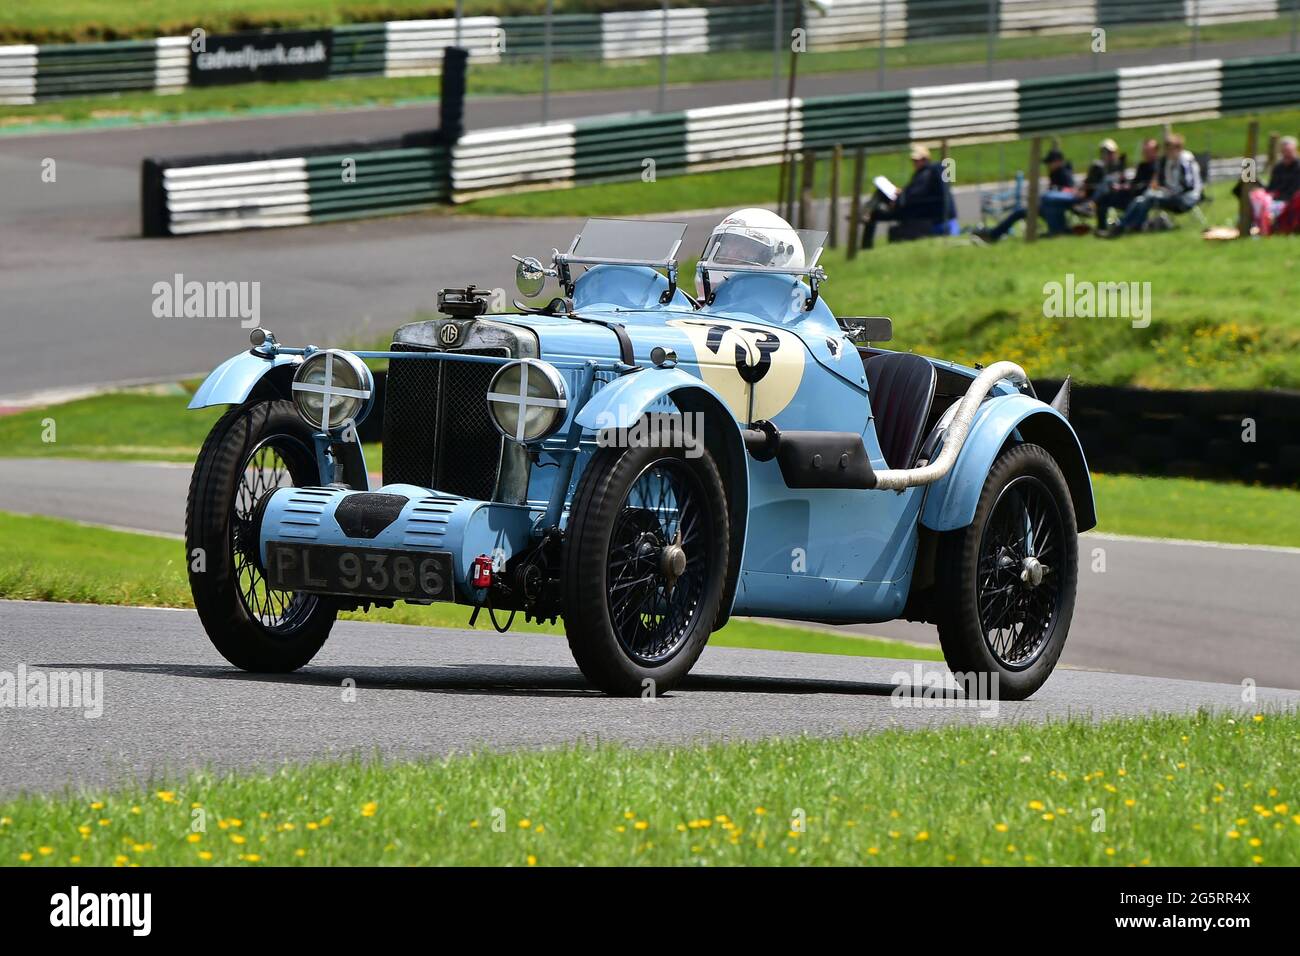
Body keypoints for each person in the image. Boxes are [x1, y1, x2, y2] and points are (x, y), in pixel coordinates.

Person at [1100, 133, 1202, 237]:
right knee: (1140, 199)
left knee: (1149, 197)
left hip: (1186, 199)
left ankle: (1123, 227)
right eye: (1167, 149)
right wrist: (1163, 189)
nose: (1167, 152)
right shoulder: (1169, 161)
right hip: (1173, 195)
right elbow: (1165, 182)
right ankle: (1125, 226)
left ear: (1178, 148)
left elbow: (1188, 185)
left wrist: (1169, 192)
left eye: (1170, 149)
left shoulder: (1185, 160)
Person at [972, 147, 1080, 243]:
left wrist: (1052, 193)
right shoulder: (1056, 173)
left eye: (1050, 162)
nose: (1048, 165)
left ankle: (993, 235)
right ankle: (994, 234)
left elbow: (1069, 191)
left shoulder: (1064, 173)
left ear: (1058, 162)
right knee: (1019, 212)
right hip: (1048, 207)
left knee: (1020, 212)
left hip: (1053, 208)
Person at [861, 145, 950, 250]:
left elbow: (915, 196)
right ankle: (866, 212)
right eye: (914, 160)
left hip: (910, 210)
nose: (915, 163)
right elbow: (913, 192)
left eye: (917, 160)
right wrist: (901, 193)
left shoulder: (925, 175)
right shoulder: (922, 174)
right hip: (907, 206)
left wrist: (899, 198)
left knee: (875, 212)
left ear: (925, 159)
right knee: (879, 196)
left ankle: (865, 215)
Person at [1091, 138, 1160, 232]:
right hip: (1130, 194)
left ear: (1156, 151)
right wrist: (1124, 186)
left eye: (1148, 151)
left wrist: (1128, 187)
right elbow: (1135, 182)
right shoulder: (1142, 166)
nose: (1145, 154)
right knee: (1105, 198)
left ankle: (1120, 227)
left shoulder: (1159, 166)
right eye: (1144, 151)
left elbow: (1148, 185)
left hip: (1142, 197)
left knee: (1135, 200)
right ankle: (1101, 228)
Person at [1243, 135, 1300, 235]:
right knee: (1257, 198)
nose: (1286, 155)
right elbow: (1271, 187)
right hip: (1275, 201)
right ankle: (1255, 227)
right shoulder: (1278, 168)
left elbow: (1295, 190)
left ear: (1295, 150)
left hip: (1292, 202)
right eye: (1284, 152)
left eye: (1289, 152)